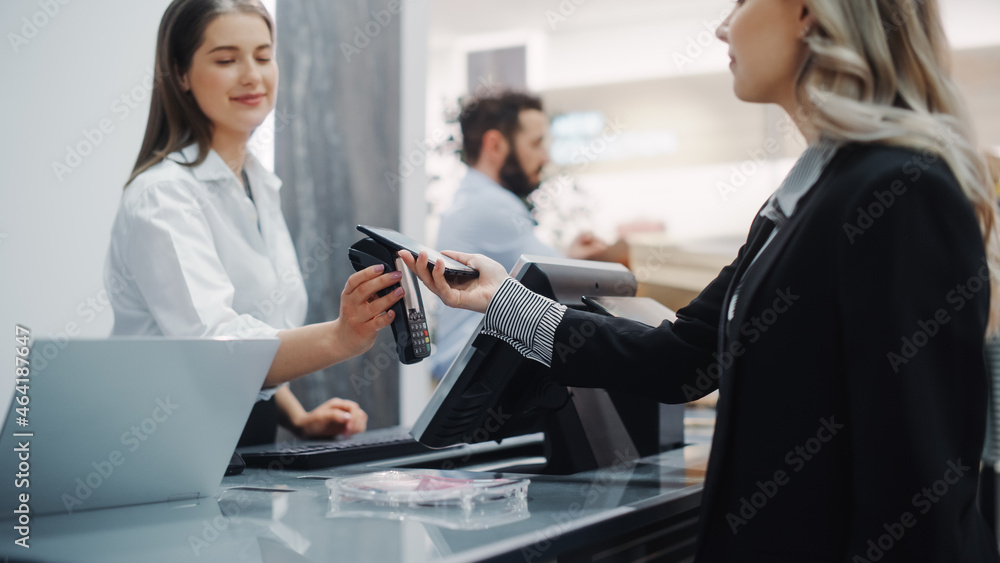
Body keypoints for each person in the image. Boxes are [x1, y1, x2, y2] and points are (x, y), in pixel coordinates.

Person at [402, 0, 1000, 560]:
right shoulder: (803, 200)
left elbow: (918, 488)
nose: (723, 27)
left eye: (741, 2)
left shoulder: (899, 192)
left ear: (809, 13)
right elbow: (679, 356)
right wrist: (501, 301)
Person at [104, 0, 403, 444]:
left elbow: (253, 332)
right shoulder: (162, 196)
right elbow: (218, 349)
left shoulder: (256, 183)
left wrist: (296, 418)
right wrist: (341, 337)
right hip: (170, 443)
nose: (252, 75)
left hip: (245, 436)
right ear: (180, 73)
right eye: (226, 59)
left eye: (263, 56)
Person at [431, 91, 613, 379]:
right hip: (477, 378)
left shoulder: (473, 197)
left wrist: (567, 257)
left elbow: (539, 267)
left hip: (467, 373)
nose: (545, 157)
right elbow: (564, 282)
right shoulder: (493, 204)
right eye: (537, 142)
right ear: (495, 144)